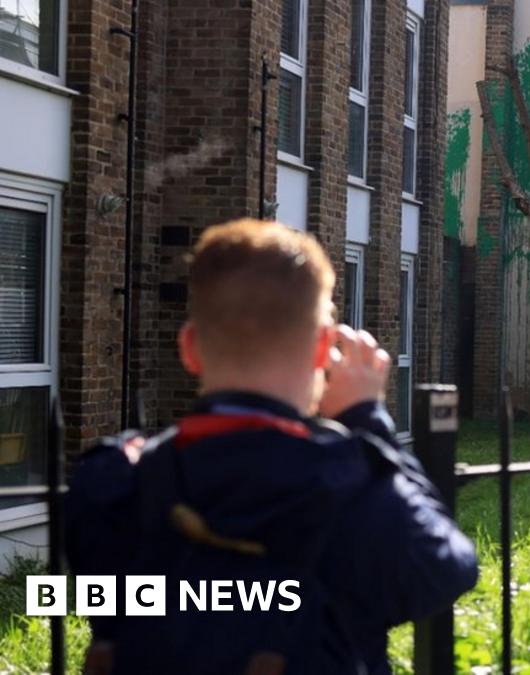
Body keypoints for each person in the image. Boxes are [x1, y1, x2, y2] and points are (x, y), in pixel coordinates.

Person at [66, 219, 478, 674]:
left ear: (189, 347)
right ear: (323, 349)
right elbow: (449, 569)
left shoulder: (110, 483)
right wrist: (367, 419)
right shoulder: (353, 489)